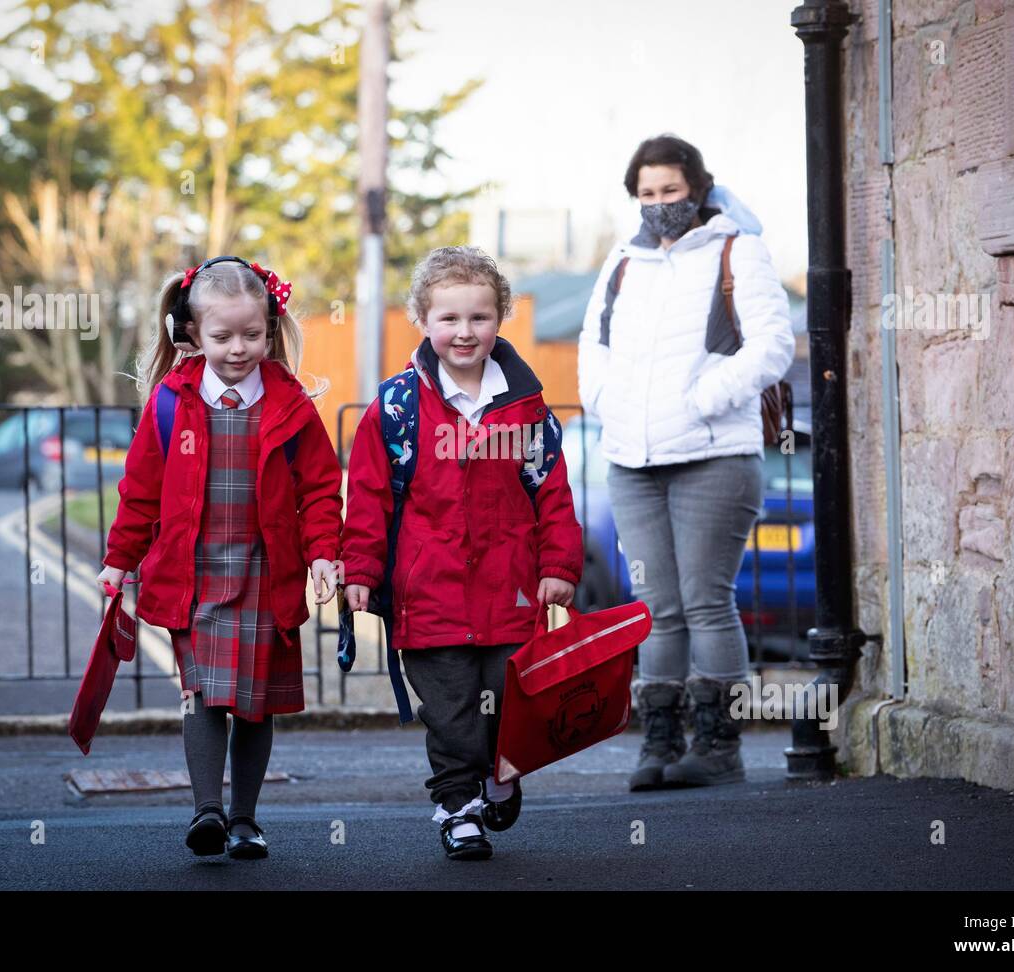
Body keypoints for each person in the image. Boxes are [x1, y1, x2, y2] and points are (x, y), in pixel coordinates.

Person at [341, 246, 583, 860]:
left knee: (507, 701)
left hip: (511, 591)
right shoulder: (396, 406)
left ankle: (502, 771)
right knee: (450, 714)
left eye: (479, 317)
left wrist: (558, 566)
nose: (464, 332)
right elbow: (369, 497)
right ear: (422, 320)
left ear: (500, 317)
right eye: (448, 319)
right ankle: (458, 810)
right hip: (429, 597)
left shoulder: (527, 406)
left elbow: (551, 490)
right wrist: (362, 571)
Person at [97, 256, 344, 859]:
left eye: (253, 335)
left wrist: (322, 554)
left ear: (271, 328)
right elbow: (140, 491)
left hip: (266, 571)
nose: (239, 348)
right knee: (205, 692)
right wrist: (118, 558)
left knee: (255, 702)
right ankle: (207, 810)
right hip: (194, 573)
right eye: (223, 336)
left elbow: (318, 491)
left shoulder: (294, 405)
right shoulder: (169, 405)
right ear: (192, 334)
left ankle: (245, 820)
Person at [578, 134, 795, 792]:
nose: (659, 204)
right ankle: (659, 745)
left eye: (670, 191)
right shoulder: (622, 261)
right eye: (646, 194)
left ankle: (719, 749)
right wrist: (604, 403)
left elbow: (773, 346)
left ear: (697, 190)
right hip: (631, 459)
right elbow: (595, 344)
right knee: (656, 609)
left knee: (706, 603)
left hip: (713, 457)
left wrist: (704, 400)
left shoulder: (738, 249)